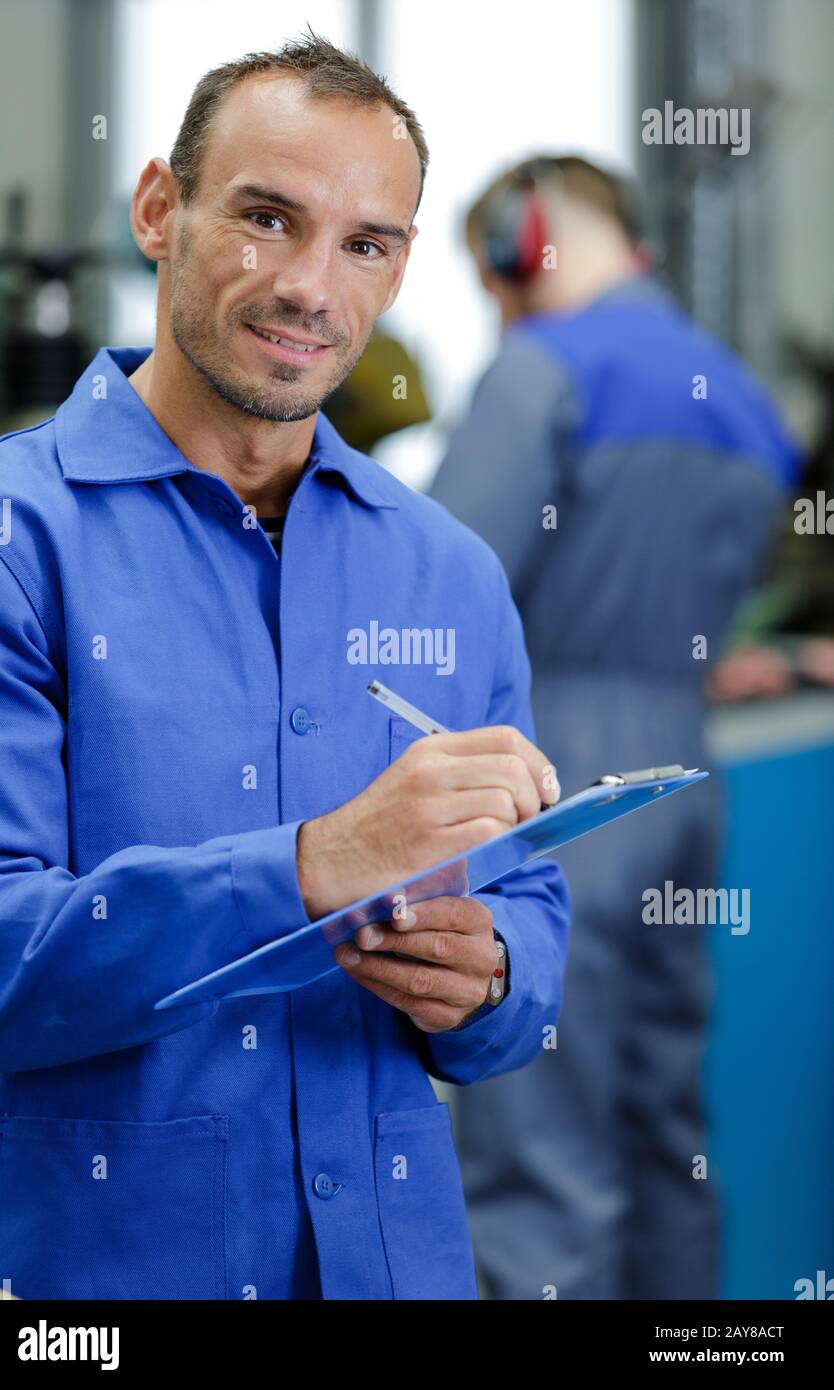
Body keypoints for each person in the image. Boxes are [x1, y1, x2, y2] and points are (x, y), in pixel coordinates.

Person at [0, 37, 569, 1302]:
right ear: (156, 210)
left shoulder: (447, 573)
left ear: (400, 266)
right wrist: (312, 867)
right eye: (265, 217)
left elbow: (530, 920)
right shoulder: (10, 544)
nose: (310, 286)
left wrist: (493, 978)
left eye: (363, 244)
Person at [429, 154, 801, 1300]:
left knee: (539, 1145)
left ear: (517, 245)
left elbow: (441, 594)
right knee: (658, 1129)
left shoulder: (544, 371)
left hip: (556, 788)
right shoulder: (744, 398)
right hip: (680, 785)